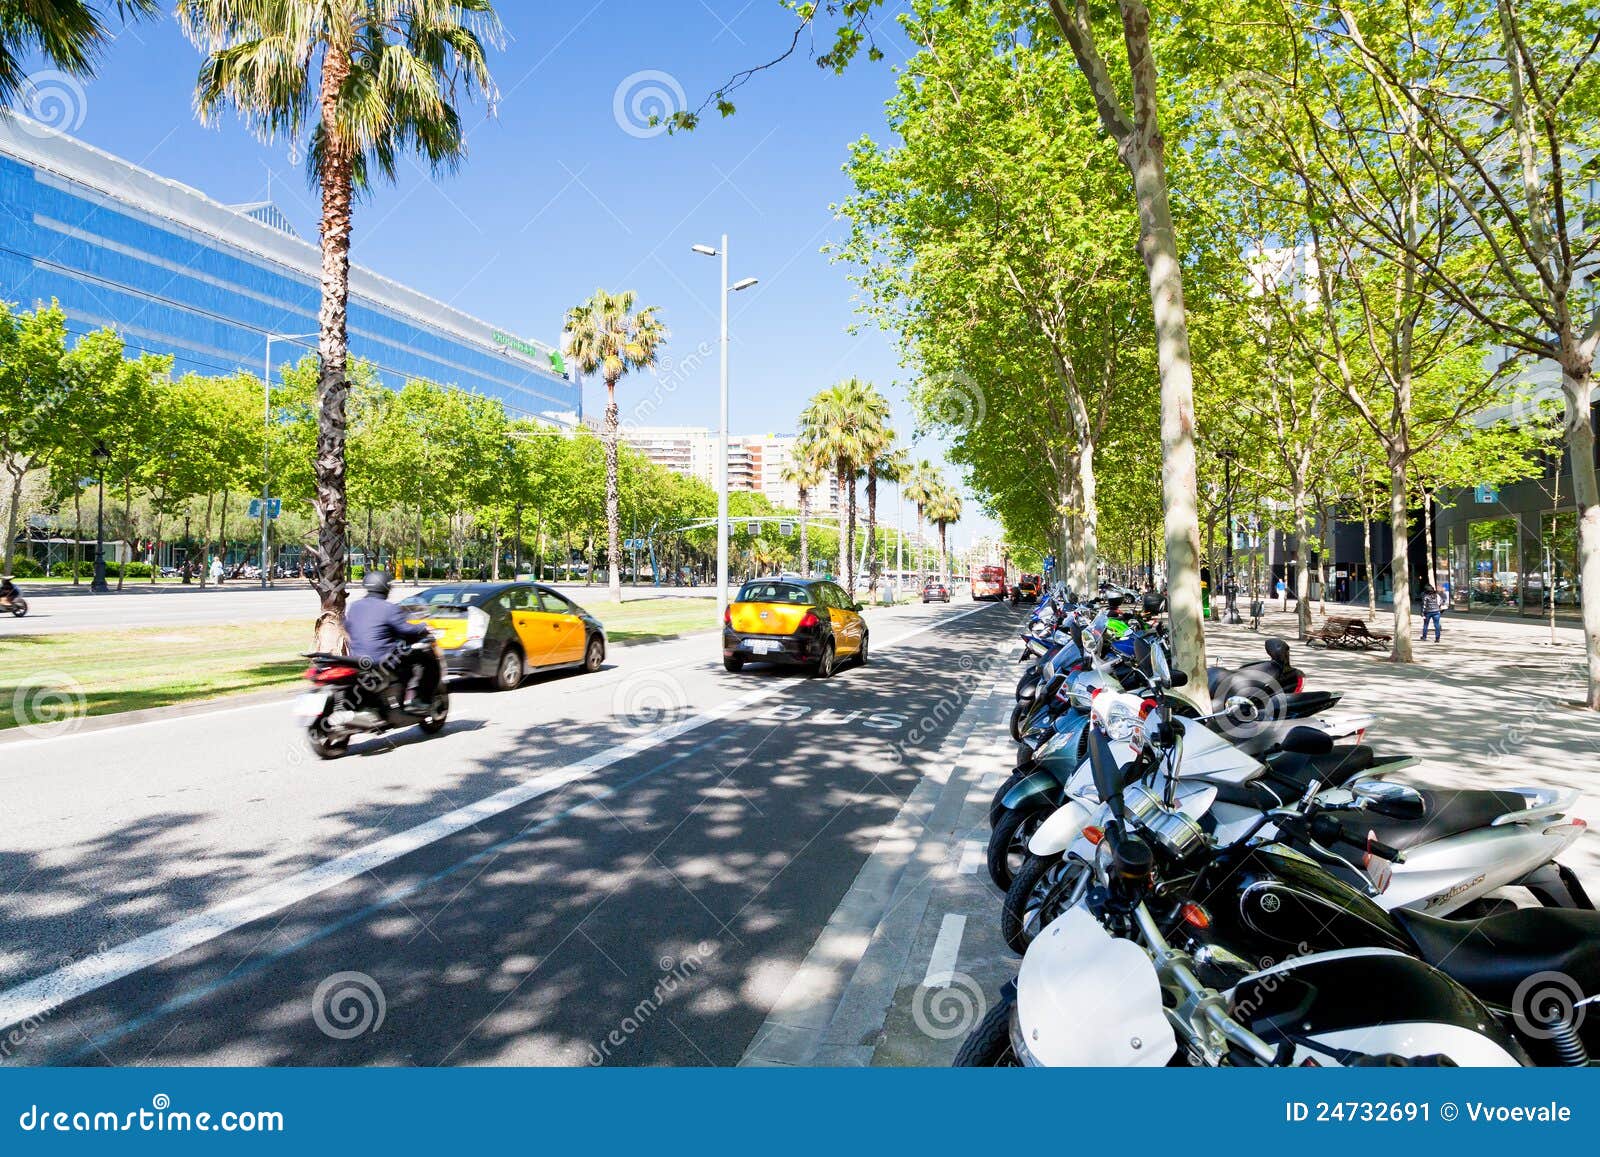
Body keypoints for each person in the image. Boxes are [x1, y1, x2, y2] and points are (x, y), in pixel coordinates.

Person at [345, 570, 439, 711]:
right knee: (426, 659)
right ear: (386, 588)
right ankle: (421, 700)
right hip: (382, 659)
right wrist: (424, 627)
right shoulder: (389, 608)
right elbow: (406, 629)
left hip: (356, 659)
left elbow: (349, 626)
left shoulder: (355, 606)